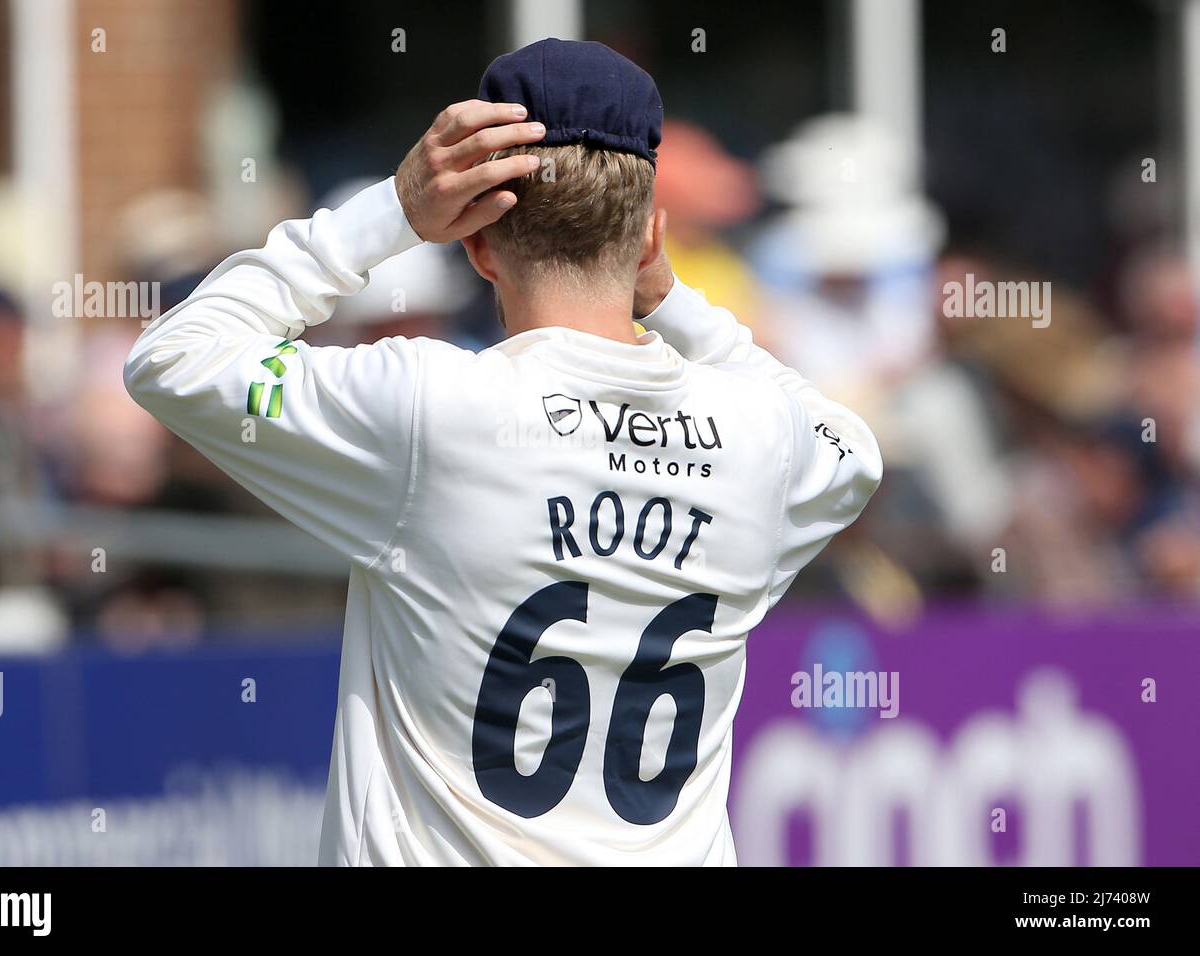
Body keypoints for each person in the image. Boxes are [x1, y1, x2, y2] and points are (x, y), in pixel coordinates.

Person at [124, 38, 881, 866]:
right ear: (649, 234)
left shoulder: (430, 410)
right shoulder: (756, 433)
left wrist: (391, 214)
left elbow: (174, 356)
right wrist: (673, 302)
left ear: (477, 245)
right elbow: (853, 454)